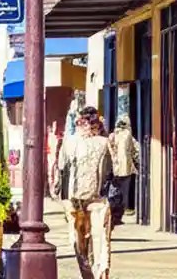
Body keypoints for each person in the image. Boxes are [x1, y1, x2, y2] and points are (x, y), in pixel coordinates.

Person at [54, 108, 114, 279]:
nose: (81, 125)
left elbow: (112, 169)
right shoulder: (71, 142)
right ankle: (90, 274)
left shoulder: (103, 143)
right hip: (79, 200)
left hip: (94, 200)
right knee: (84, 242)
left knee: (98, 240)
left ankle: (97, 274)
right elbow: (61, 167)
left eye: (84, 122)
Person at [108, 115, 140, 226]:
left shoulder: (112, 136)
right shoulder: (129, 136)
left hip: (114, 167)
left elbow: (109, 150)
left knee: (113, 190)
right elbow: (136, 149)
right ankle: (118, 216)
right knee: (123, 192)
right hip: (126, 167)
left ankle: (111, 212)